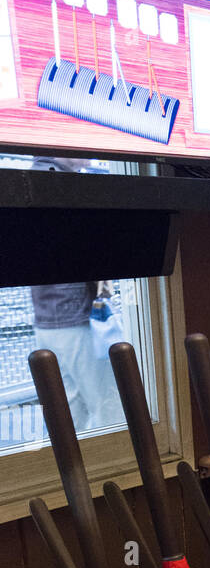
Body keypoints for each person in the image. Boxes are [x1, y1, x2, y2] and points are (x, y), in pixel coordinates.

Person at [29, 156, 123, 434]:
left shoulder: (33, 180)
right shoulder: (59, 185)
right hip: (77, 320)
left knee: (68, 415)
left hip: (49, 320)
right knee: (109, 408)